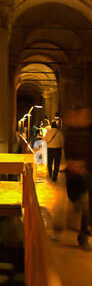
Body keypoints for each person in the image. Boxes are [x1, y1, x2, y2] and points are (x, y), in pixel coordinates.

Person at [59, 107, 92, 249]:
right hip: (75, 174)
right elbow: (68, 152)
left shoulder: (86, 134)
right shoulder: (71, 134)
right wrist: (74, 164)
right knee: (79, 203)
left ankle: (83, 233)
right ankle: (80, 232)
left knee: (85, 203)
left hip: (85, 173)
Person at [44, 118, 64, 182]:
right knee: (57, 164)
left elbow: (45, 140)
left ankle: (50, 175)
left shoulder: (48, 132)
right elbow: (62, 142)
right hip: (57, 150)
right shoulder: (59, 133)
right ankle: (54, 177)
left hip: (49, 149)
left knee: (49, 163)